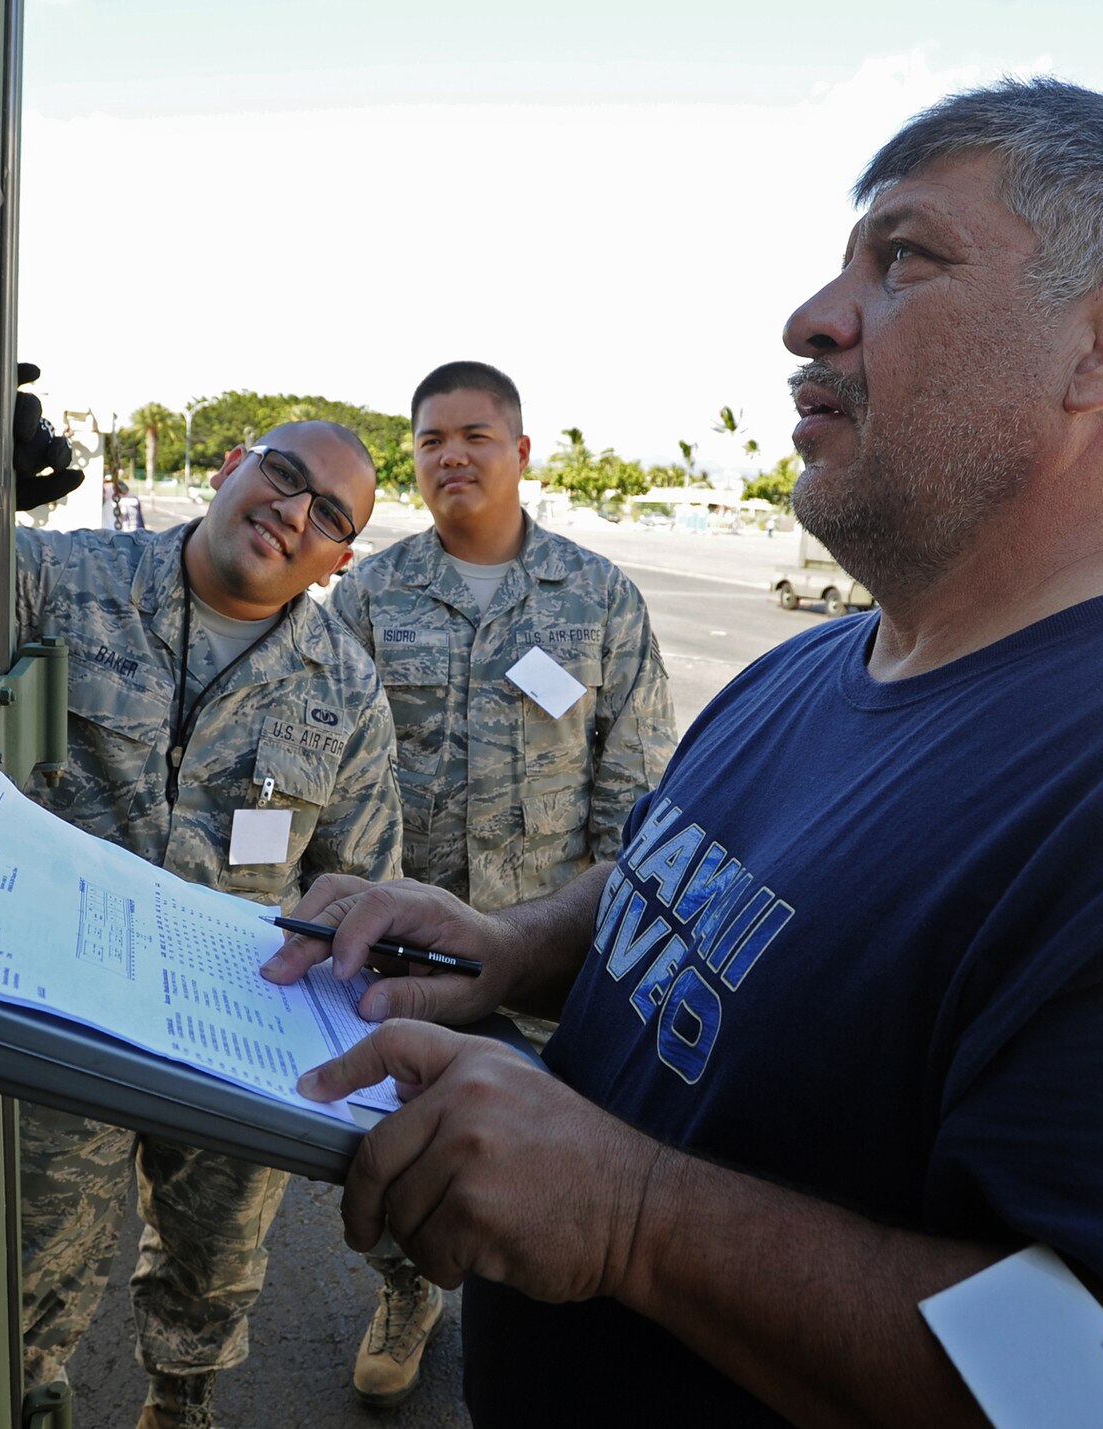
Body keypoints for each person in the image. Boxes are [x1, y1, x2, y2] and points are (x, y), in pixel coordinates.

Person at [264, 79, 1103, 1428]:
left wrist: (636, 1219)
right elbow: (726, 889)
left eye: (903, 258)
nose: (812, 321)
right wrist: (519, 946)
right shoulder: (815, 668)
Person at [16, 420, 402, 1428]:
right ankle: (28, 1395)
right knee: (28, 1256)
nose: (290, 510)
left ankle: (179, 1404)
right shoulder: (57, 582)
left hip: (230, 1027)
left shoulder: (345, 687)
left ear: (338, 558)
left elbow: (360, 883)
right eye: (282, 474)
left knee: (214, 1262)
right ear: (233, 468)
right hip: (64, 1006)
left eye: (327, 513)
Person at [323, 359, 675, 1405]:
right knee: (397, 1145)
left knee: (555, 1170)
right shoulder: (373, 597)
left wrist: (601, 934)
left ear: (520, 453)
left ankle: (544, 1328)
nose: (451, 457)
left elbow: (636, 782)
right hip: (413, 947)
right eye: (430, 440)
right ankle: (407, 1291)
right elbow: (336, 765)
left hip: (553, 956)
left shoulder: (596, 595)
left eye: (474, 436)